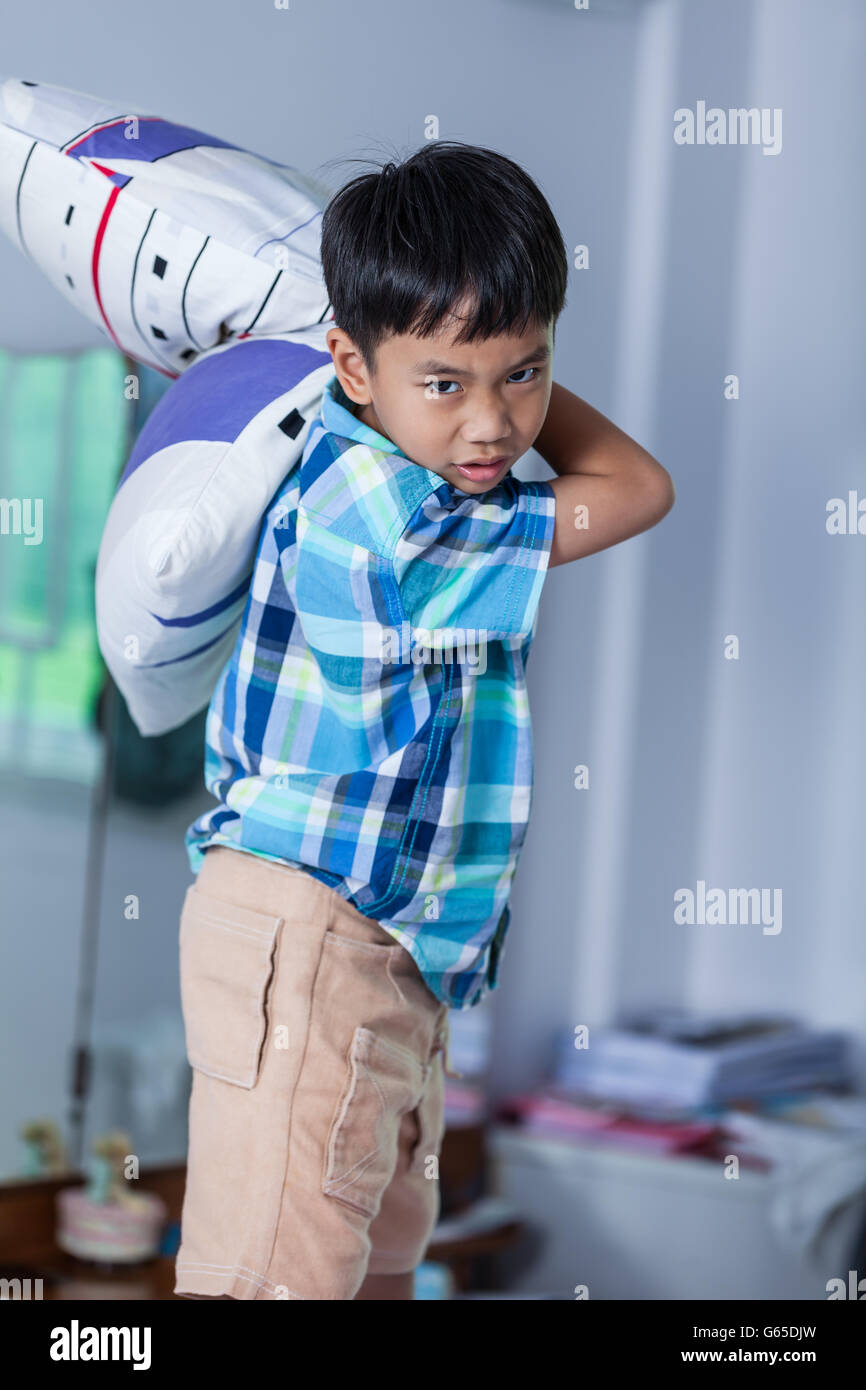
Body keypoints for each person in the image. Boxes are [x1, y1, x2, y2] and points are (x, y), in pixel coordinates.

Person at [173, 140, 675, 1302]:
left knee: (371, 1274)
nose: (493, 424)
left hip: (388, 950)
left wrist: (464, 349)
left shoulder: (423, 474)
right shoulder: (391, 518)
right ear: (349, 362)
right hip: (312, 935)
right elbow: (639, 487)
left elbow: (494, 417)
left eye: (525, 373)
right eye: (445, 382)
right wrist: (505, 342)